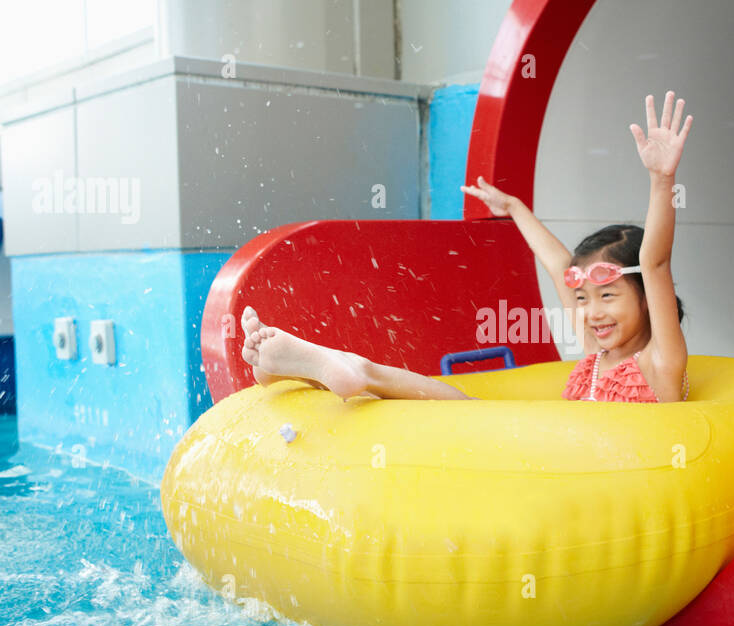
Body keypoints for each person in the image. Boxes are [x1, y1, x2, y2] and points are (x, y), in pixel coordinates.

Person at [240, 90, 692, 403]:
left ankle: (352, 373)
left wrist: (662, 180)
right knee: (460, 403)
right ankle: (335, 371)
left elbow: (654, 262)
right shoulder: (595, 356)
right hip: (560, 454)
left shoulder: (660, 365)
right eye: (583, 299)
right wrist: (515, 209)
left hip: (578, 472)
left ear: (650, 301)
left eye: (608, 295)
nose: (591, 313)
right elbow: (559, 266)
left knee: (467, 407)